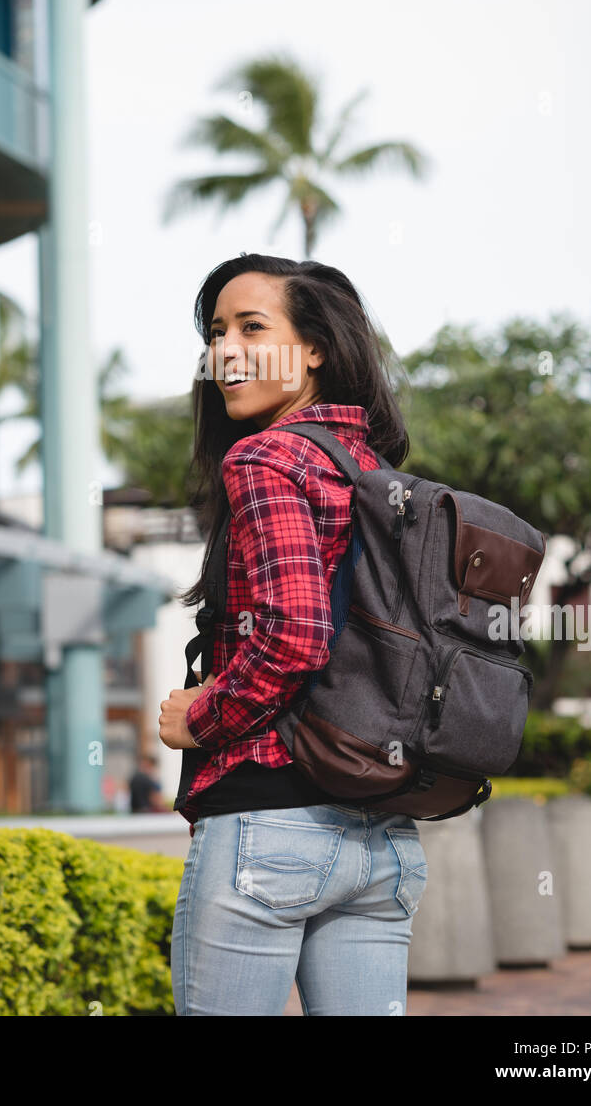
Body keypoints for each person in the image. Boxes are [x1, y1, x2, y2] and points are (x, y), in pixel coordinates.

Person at [158, 252, 429, 1016]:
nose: (225, 351)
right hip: (382, 834)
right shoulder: (375, 474)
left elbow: (294, 635)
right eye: (216, 332)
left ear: (314, 347)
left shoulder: (266, 458)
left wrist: (200, 717)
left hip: (268, 819)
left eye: (252, 327)